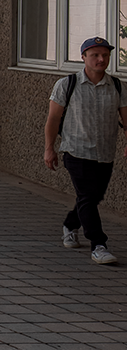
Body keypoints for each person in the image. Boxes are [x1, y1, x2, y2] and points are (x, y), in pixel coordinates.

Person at [46, 35, 126, 265]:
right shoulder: (67, 84)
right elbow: (52, 119)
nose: (101, 59)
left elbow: (126, 120)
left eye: (105, 55)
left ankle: (70, 225)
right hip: (76, 151)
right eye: (95, 55)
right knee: (88, 197)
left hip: (105, 153)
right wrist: (49, 149)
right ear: (83, 58)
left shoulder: (118, 86)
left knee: (91, 197)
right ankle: (98, 245)